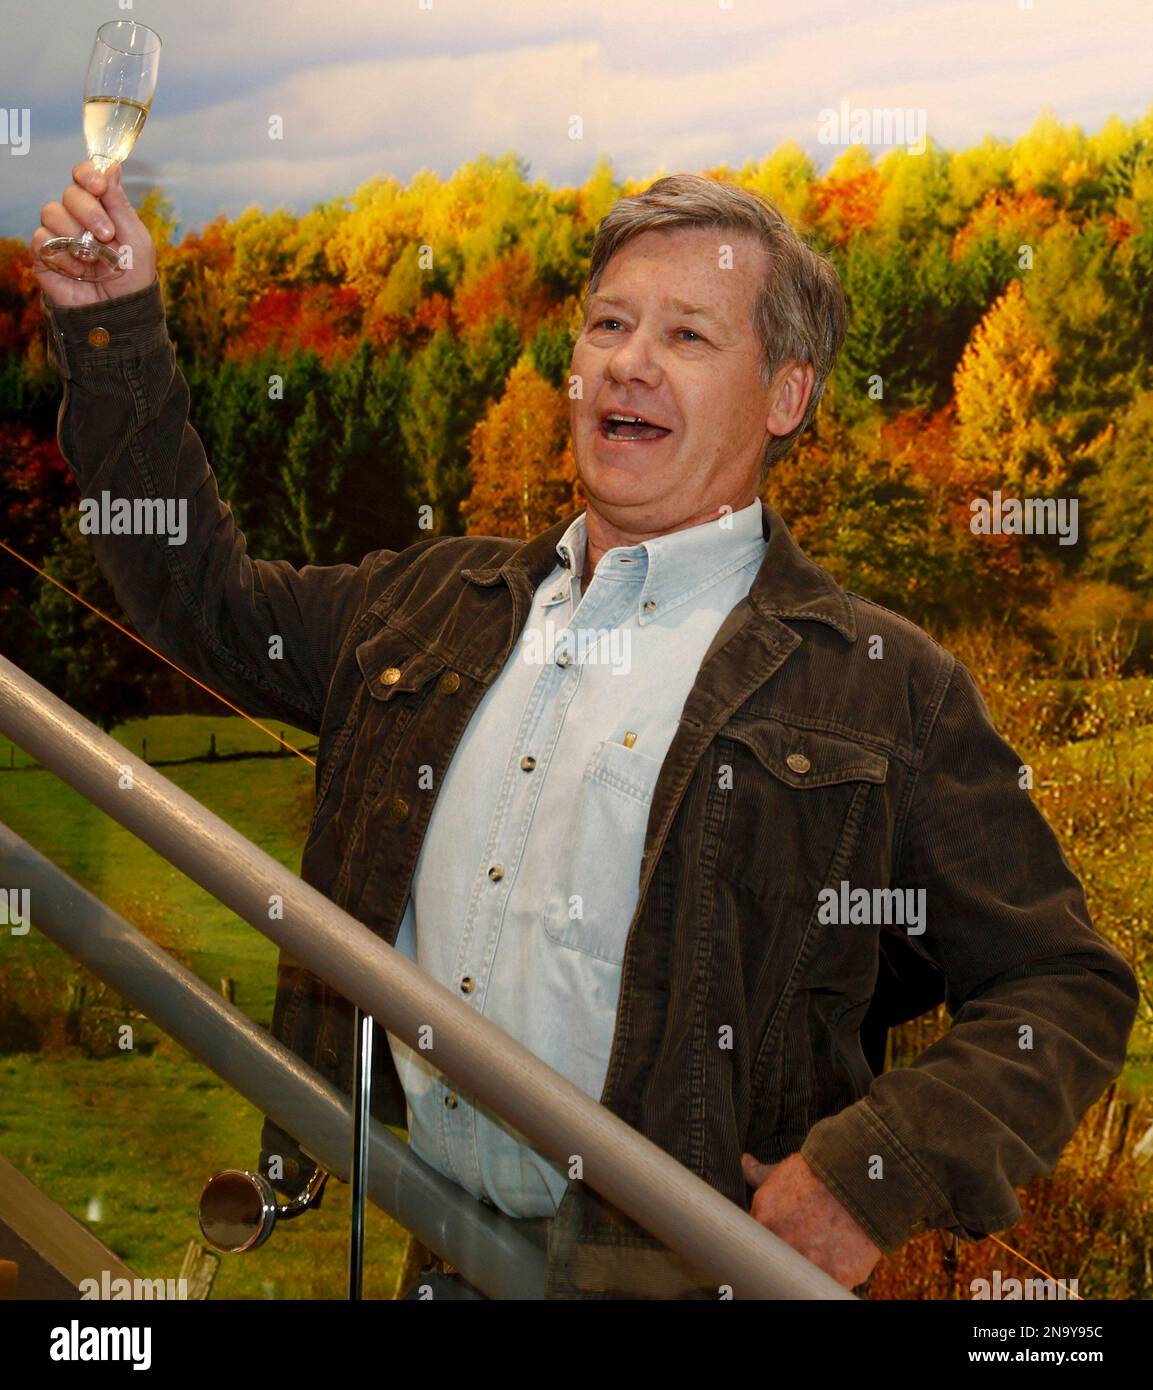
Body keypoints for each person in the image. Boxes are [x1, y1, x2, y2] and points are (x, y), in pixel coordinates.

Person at [31, 166, 1138, 1300]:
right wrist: (110, 331)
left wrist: (872, 1170)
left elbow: (1064, 984)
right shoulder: (430, 603)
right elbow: (201, 602)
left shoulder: (882, 686)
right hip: (438, 1257)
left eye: (688, 334)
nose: (627, 358)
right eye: (608, 322)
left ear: (785, 396)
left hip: (679, 1284)